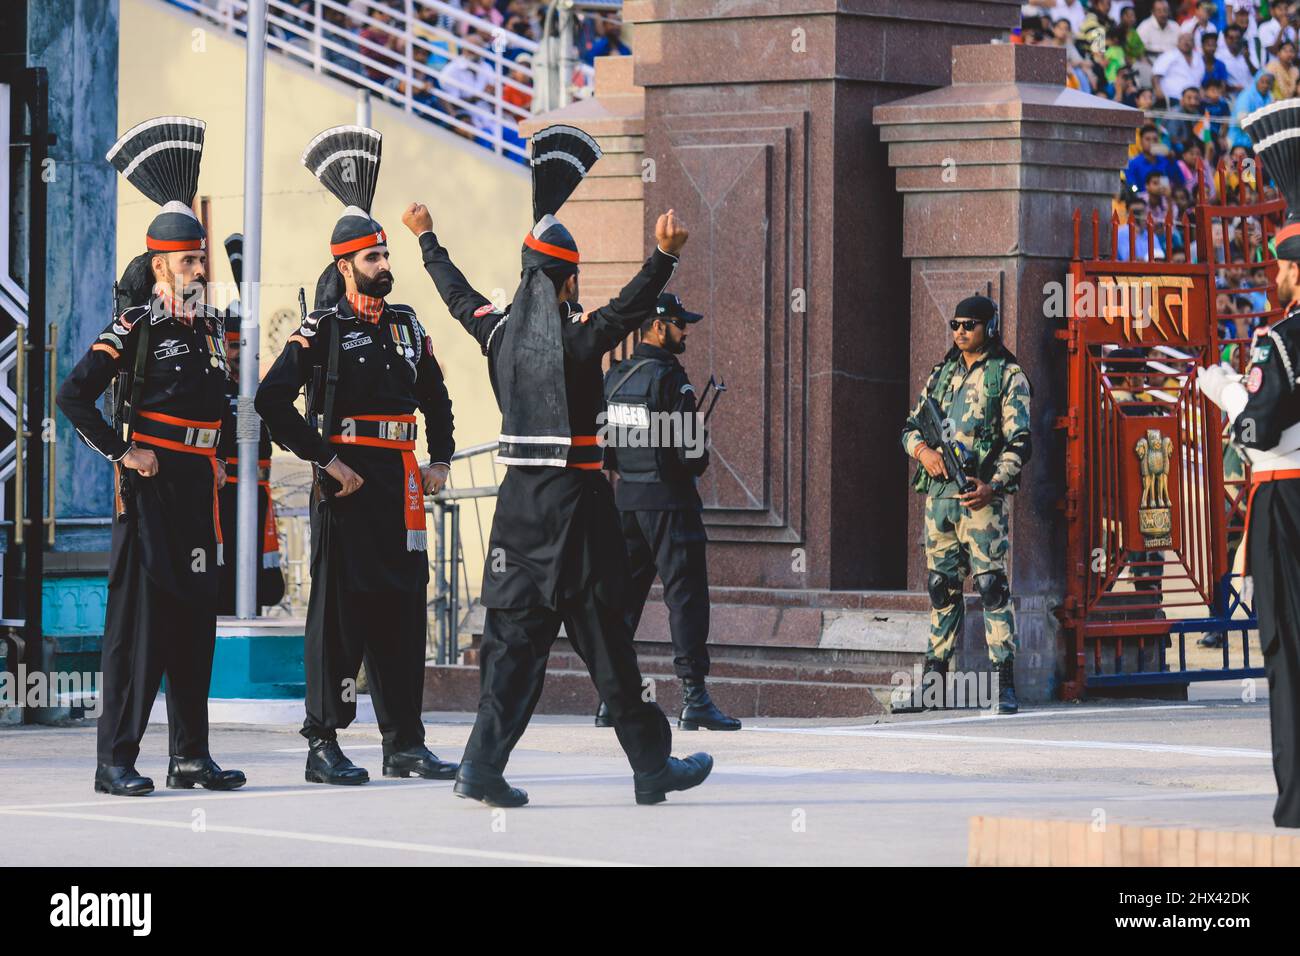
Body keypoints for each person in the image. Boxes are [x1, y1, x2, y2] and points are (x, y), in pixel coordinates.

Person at [405, 123, 713, 807]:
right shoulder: (577, 344)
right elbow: (629, 309)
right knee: (608, 644)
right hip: (579, 518)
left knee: (515, 646)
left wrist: (427, 238)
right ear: (566, 279)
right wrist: (663, 257)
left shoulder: (496, 334)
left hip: (517, 519)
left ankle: (482, 766)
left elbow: (458, 297)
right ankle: (649, 766)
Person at [255, 125, 458, 786]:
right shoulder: (324, 330)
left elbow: (438, 397)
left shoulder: (407, 324)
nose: (382, 263)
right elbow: (271, 400)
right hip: (348, 488)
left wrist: (443, 459)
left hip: (402, 485)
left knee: (403, 611)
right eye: (371, 257)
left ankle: (404, 742)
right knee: (341, 617)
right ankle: (323, 742)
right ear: (345, 266)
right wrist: (323, 460)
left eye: (384, 252)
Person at [56, 116, 246, 796]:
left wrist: (227, 450)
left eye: (203, 259)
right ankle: (115, 761)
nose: (201, 269)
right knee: (138, 627)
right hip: (151, 490)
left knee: (197, 622)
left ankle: (191, 756)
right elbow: (72, 396)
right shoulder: (135, 326)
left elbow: (220, 408)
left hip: (199, 492)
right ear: (162, 264)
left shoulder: (208, 331)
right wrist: (121, 452)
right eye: (190, 260)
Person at [1198, 101, 1300, 828]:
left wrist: (1226, 389)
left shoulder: (1280, 337)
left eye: (1284, 262)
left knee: (1287, 651)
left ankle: (1298, 800)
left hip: (1285, 500)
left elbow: (1258, 430)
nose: (1277, 272)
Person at [593, 292, 740, 733]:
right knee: (686, 597)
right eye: (680, 323)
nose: (686, 330)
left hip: (626, 503)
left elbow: (608, 449)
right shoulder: (671, 377)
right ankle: (694, 698)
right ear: (658, 326)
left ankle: (610, 698)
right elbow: (690, 453)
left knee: (623, 602)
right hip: (671, 503)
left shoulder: (616, 376)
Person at [899, 296, 1032, 714]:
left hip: (981, 502)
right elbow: (909, 427)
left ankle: (1003, 684)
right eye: (955, 324)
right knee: (942, 589)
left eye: (969, 324)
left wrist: (993, 485)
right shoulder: (942, 374)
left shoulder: (1007, 376)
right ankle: (933, 687)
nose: (960, 331)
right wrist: (924, 453)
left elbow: (1020, 443)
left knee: (991, 587)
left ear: (989, 328)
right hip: (940, 500)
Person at [216, 233, 285, 614]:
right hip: (221, 498)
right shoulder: (211, 387)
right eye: (233, 346)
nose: (240, 355)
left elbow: (259, 436)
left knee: (257, 586)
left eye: (246, 346)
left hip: (254, 498)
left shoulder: (257, 392)